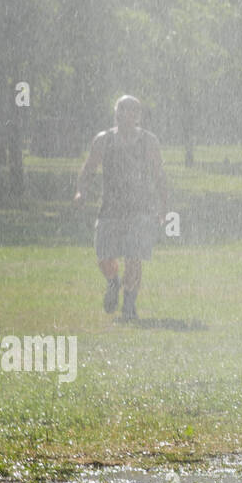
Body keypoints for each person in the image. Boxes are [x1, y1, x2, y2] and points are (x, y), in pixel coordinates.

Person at [74, 96, 169, 321]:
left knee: (134, 257)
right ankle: (113, 282)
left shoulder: (148, 142)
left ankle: (129, 303)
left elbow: (159, 176)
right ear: (116, 114)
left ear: (138, 115)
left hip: (141, 209)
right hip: (110, 209)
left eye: (130, 111)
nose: (124, 115)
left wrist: (163, 207)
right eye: (121, 110)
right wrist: (80, 191)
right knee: (104, 256)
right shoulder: (104, 140)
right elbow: (88, 169)